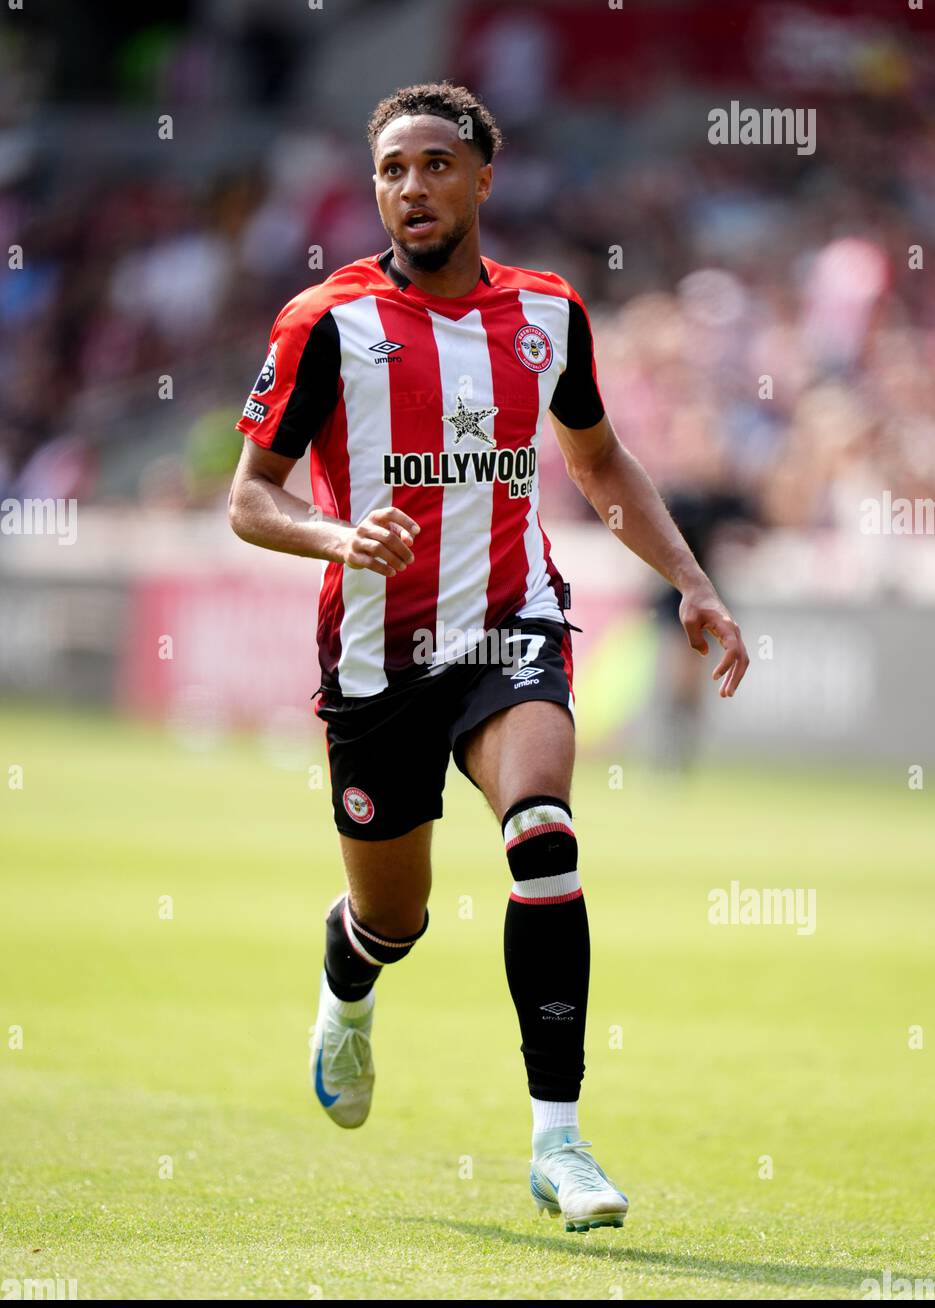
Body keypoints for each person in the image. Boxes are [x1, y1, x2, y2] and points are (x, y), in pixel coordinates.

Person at [228, 81, 749, 1234]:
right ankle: (349, 981)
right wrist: (336, 533)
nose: (409, 188)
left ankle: (557, 1143)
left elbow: (602, 464)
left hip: (509, 621)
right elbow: (250, 500)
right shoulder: (324, 322)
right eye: (390, 171)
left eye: (432, 165)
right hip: (375, 656)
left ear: (480, 180)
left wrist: (693, 585)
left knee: (544, 833)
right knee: (393, 919)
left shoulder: (549, 315)